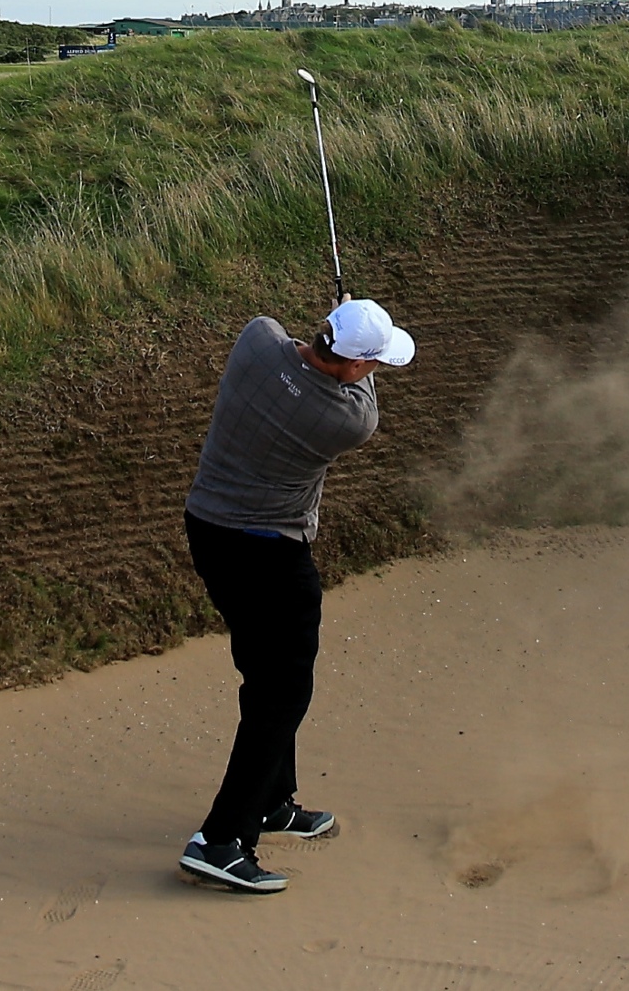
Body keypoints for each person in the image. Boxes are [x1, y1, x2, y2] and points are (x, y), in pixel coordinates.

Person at [176, 296, 416, 893]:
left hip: (208, 529)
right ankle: (222, 841)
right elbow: (359, 400)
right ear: (356, 367)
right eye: (376, 363)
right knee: (283, 692)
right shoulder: (348, 420)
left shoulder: (255, 341)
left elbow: (291, 345)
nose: (377, 372)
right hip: (269, 555)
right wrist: (347, 354)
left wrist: (339, 330)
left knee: (265, 676)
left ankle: (271, 801)